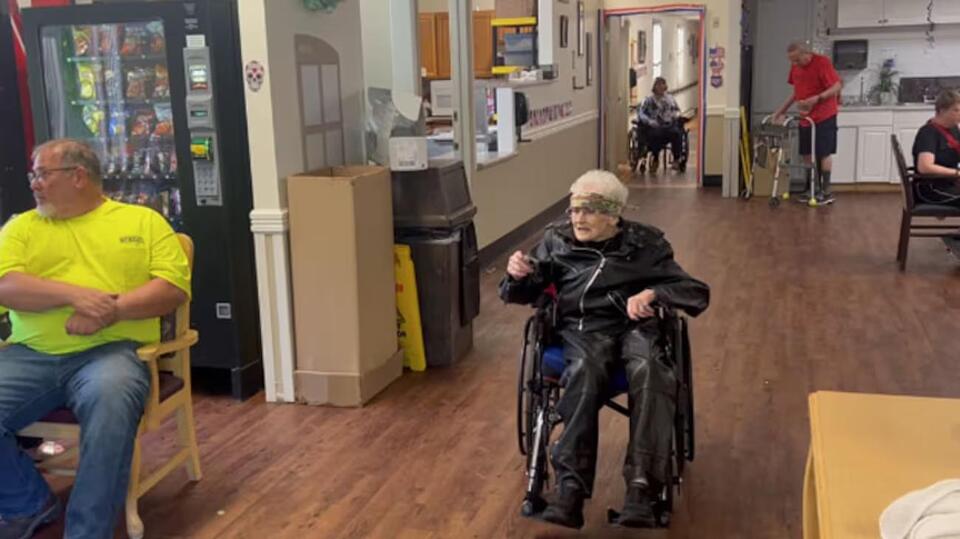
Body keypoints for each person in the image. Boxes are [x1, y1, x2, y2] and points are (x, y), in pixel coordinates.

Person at [0, 139, 191, 539]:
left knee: (110, 406)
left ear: (78, 176)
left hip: (113, 354)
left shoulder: (142, 221)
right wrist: (75, 296)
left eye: (42, 174)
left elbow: (171, 289)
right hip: (30, 353)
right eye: (34, 174)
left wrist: (110, 312)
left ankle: (87, 534)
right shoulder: (20, 227)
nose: (34, 183)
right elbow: (6, 286)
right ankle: (28, 503)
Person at [500, 170, 710, 529]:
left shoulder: (647, 245)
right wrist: (517, 275)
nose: (578, 218)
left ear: (614, 215)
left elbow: (695, 291)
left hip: (637, 330)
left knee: (652, 370)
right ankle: (570, 489)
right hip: (583, 330)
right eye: (575, 209)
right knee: (584, 369)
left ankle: (643, 488)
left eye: (590, 210)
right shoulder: (556, 241)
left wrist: (653, 294)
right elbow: (519, 293)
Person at [772, 41, 842, 205]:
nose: (794, 64)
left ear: (806, 53)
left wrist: (818, 98)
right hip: (805, 117)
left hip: (825, 115)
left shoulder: (822, 63)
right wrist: (780, 111)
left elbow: (837, 86)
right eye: (791, 61)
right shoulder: (796, 67)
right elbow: (796, 93)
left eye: (797, 60)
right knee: (806, 153)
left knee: (823, 152)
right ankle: (811, 188)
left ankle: (826, 191)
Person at [912, 89, 960, 252]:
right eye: (956, 110)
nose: (959, 114)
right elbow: (925, 167)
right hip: (931, 187)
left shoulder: (953, 129)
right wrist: (956, 174)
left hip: (948, 184)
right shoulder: (928, 132)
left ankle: (956, 239)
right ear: (942, 110)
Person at [636, 77, 686, 172]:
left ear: (665, 86)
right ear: (654, 87)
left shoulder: (670, 99)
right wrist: (649, 121)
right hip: (655, 126)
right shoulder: (649, 100)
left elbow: (677, 110)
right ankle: (655, 157)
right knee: (655, 134)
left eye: (662, 84)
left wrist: (676, 115)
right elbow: (641, 113)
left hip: (668, 125)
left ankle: (676, 158)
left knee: (676, 133)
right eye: (658, 84)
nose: (660, 87)